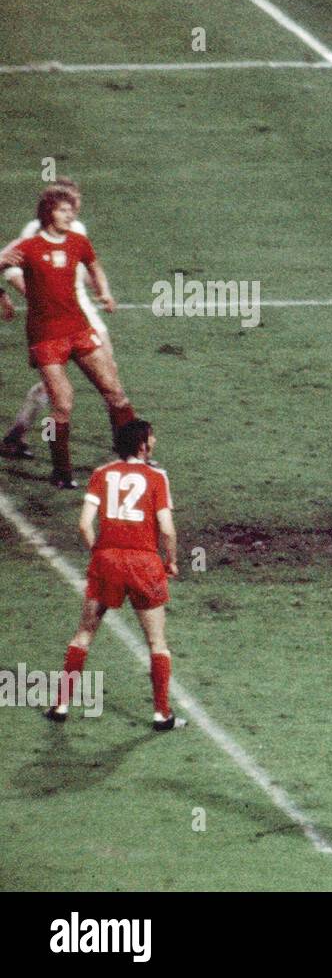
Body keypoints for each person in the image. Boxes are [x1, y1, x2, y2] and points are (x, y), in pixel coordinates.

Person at [44, 420, 184, 730]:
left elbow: (83, 525)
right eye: (151, 437)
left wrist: (99, 553)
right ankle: (162, 714)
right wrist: (171, 562)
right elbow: (168, 530)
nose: (154, 441)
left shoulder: (101, 474)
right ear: (142, 445)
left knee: (83, 634)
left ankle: (60, 705)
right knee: (157, 642)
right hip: (144, 564)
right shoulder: (157, 477)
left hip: (107, 561)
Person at [0, 186, 135, 488]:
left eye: (72, 210)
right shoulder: (29, 246)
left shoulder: (78, 241)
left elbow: (95, 266)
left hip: (79, 330)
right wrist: (3, 298)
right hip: (46, 338)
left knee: (115, 390)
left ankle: (131, 456)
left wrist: (105, 291)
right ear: (48, 212)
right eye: (64, 209)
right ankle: (61, 472)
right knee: (62, 404)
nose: (71, 214)